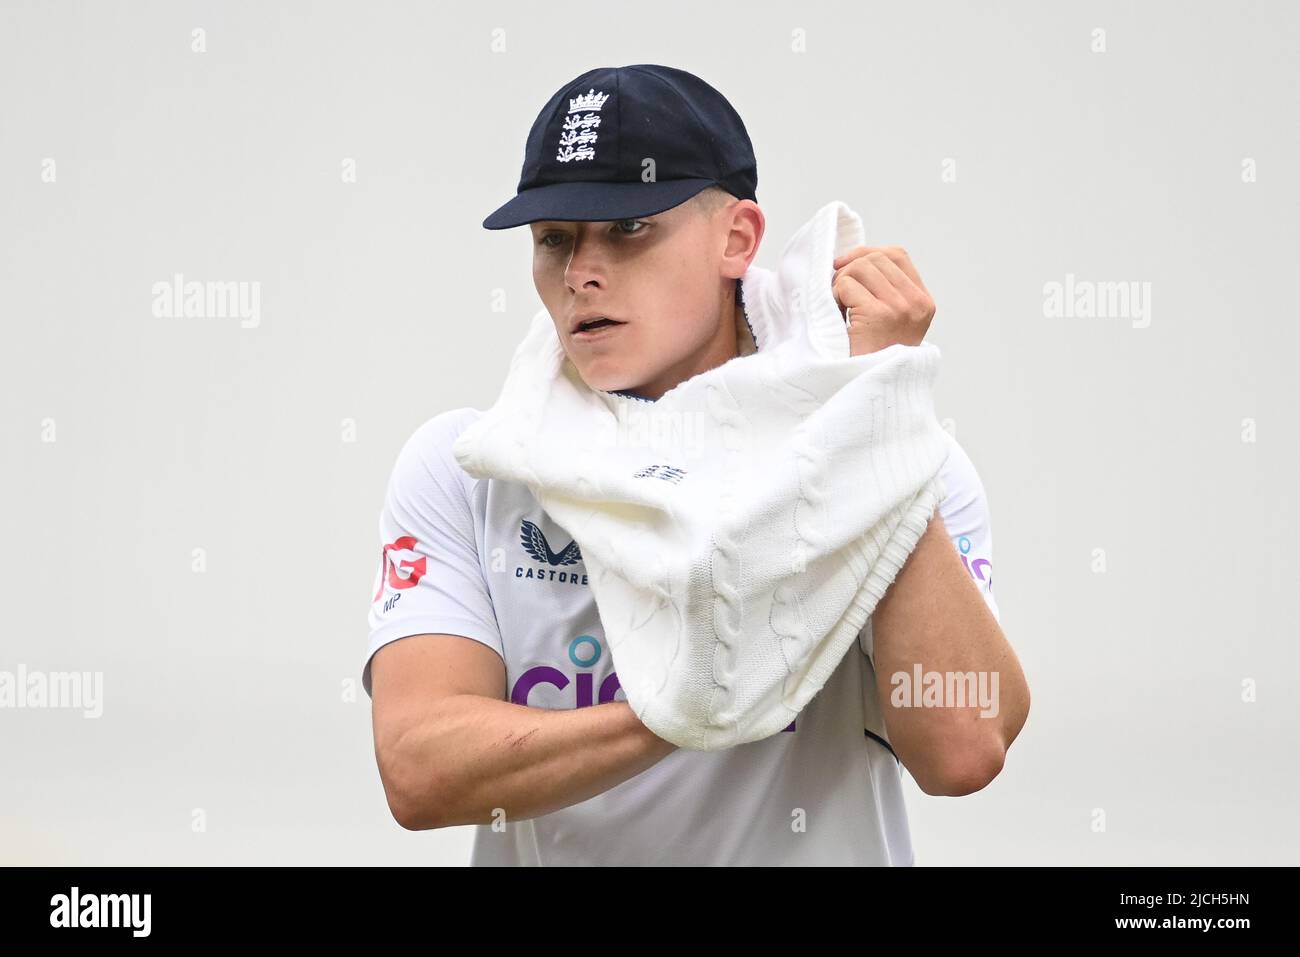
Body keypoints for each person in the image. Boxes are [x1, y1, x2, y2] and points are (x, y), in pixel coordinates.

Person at [362, 64, 1030, 865]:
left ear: (737, 239)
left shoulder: (905, 460)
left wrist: (873, 421)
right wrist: (704, 696)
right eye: (554, 239)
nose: (581, 272)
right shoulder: (469, 468)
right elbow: (421, 768)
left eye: (630, 227)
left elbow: (965, 745)